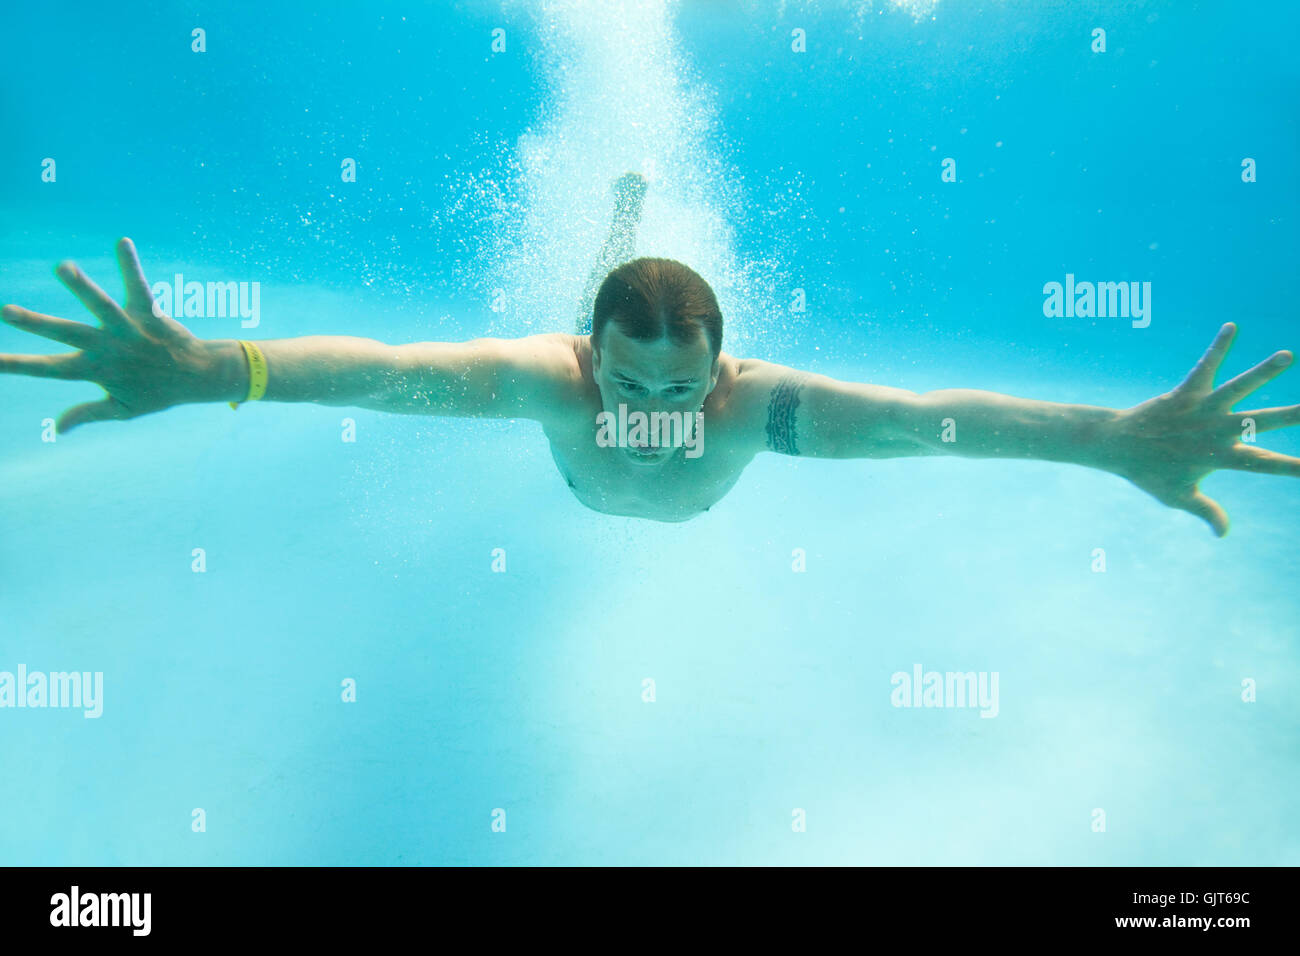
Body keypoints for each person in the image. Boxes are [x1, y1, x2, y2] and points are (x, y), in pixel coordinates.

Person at [2, 174, 1297, 530]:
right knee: (580, 305)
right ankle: (618, 232)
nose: (658, 410)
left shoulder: (754, 409)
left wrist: (1110, 439)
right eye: (630, 381)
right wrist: (224, 369)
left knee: (652, 341)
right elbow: (386, 366)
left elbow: (928, 416)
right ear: (591, 359)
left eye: (682, 385)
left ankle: (629, 233)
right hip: (577, 389)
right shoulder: (552, 380)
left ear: (725, 366)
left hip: (665, 402)